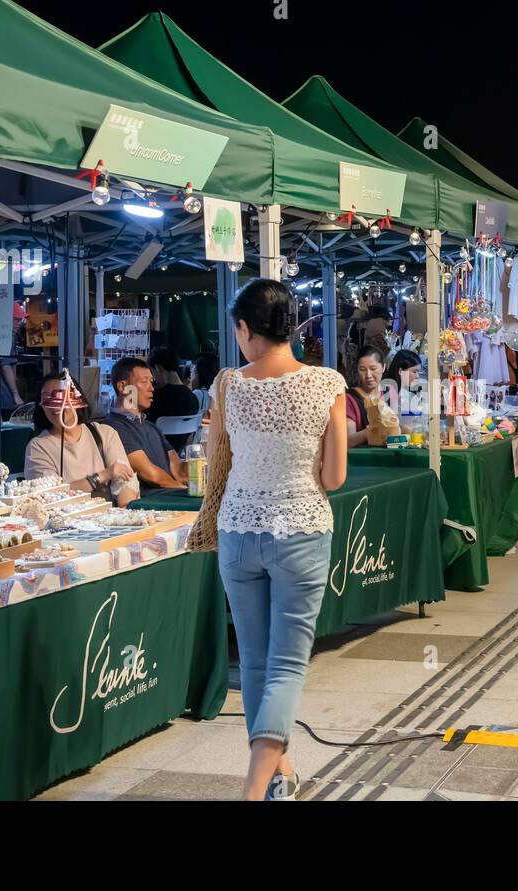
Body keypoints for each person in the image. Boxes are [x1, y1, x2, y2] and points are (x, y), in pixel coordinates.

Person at [213, 278, 347, 801]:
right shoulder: (328, 383)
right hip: (302, 530)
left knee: (253, 661)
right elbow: (334, 478)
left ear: (246, 329)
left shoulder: (227, 384)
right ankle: (253, 791)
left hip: (238, 532)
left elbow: (217, 461)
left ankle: (280, 776)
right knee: (287, 664)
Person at [25, 372, 138, 507]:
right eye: (46, 398)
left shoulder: (104, 433)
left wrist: (125, 511)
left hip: (110, 517)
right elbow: (49, 495)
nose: (55, 404)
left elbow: (125, 478)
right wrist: (102, 476)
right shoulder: (38, 447)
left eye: (61, 395)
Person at [100, 358, 187, 496]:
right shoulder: (112, 427)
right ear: (123, 387)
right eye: (144, 382)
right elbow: (151, 475)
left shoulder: (151, 427)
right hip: (149, 503)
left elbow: (178, 469)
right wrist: (185, 490)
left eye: (151, 382)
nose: (151, 388)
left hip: (171, 496)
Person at [146, 346, 201, 452]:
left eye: (152, 373)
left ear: (158, 368)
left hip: (155, 453)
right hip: (180, 453)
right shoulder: (193, 398)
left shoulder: (155, 398)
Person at [345, 346, 385, 448]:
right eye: (362, 369)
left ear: (383, 367)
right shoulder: (350, 399)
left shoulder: (389, 393)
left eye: (373, 369)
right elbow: (347, 441)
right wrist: (369, 432)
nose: (368, 375)